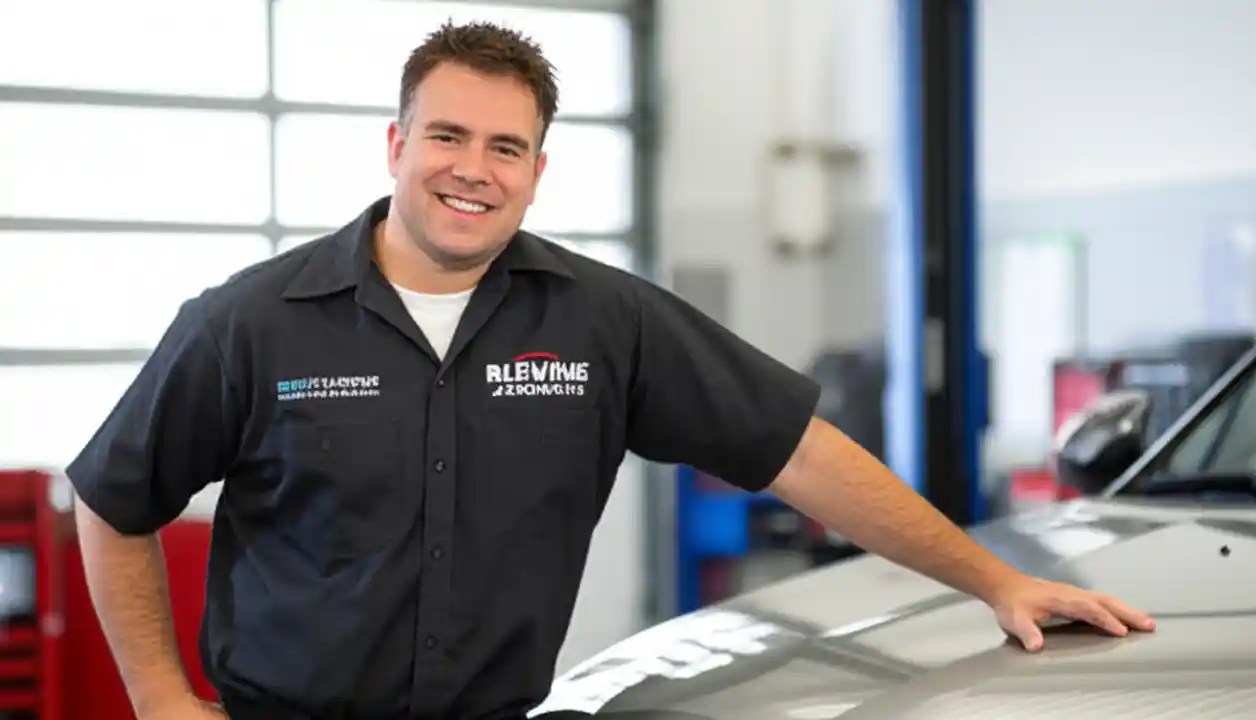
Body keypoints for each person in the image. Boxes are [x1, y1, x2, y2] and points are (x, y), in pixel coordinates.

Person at [67, 20, 1154, 720]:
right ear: (393, 145)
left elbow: (802, 458)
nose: (472, 171)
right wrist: (163, 696)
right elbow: (114, 499)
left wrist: (995, 579)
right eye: (447, 136)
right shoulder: (250, 323)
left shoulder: (602, 321)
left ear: (538, 170)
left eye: (506, 148)